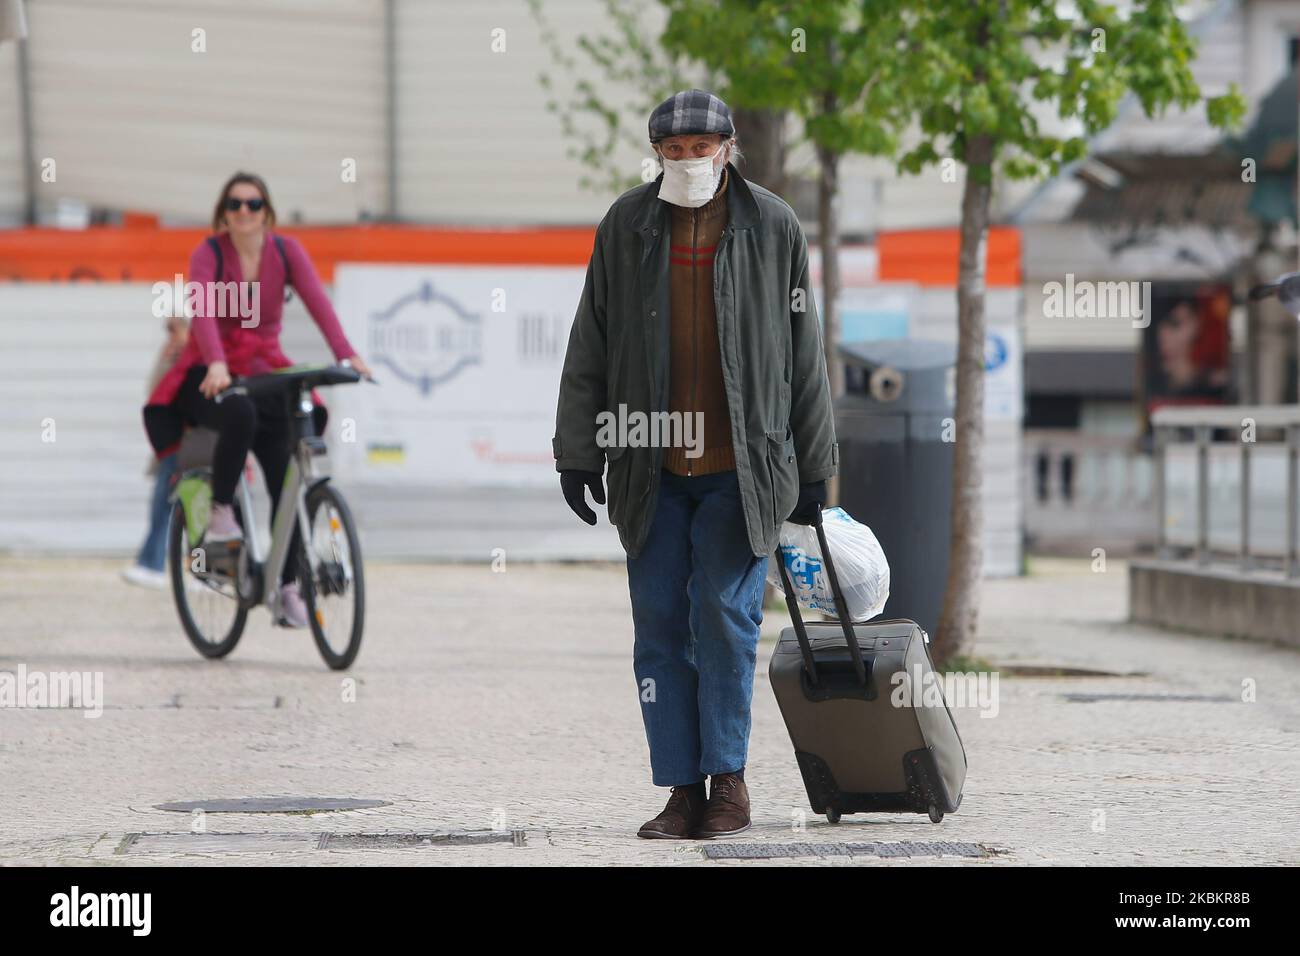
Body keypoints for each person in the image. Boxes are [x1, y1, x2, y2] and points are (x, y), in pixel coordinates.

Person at [553, 90, 838, 839]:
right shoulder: (626, 225)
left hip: (742, 467)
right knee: (658, 628)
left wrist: (815, 469)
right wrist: (578, 453)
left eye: (700, 148)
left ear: (728, 147)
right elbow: (592, 339)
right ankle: (681, 789)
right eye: (672, 151)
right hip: (648, 465)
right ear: (656, 155)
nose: (687, 162)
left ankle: (729, 783)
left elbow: (803, 353)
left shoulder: (773, 225)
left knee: (725, 616)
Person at [142, 171, 371, 627]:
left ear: (267, 212)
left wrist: (346, 353)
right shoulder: (208, 254)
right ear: (223, 215)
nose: (243, 212)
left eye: (252, 204)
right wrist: (216, 362)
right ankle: (223, 513)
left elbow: (318, 304)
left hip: (264, 369)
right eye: (234, 205)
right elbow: (203, 310)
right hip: (209, 372)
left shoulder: (287, 252)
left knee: (287, 473)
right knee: (239, 411)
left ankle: (287, 587)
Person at [121, 313, 189, 589]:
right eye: (168, 330)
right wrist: (167, 358)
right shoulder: (173, 357)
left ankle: (156, 565)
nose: (171, 336)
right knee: (163, 506)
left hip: (189, 445)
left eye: (175, 329)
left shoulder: (195, 359)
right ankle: (151, 563)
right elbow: (153, 392)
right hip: (171, 445)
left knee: (176, 507)